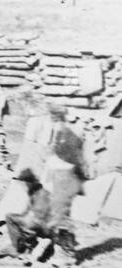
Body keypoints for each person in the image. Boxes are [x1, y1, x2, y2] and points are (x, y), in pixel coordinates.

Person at [43, 106, 91, 259]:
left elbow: (67, 161)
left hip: (64, 178)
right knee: (58, 215)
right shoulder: (63, 133)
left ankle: (67, 254)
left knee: (60, 216)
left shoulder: (65, 135)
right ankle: (60, 249)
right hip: (63, 177)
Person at [0, 168, 54, 259]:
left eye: (23, 182)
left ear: (28, 182)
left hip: (43, 224)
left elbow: (38, 215)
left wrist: (24, 222)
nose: (22, 185)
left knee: (10, 217)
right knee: (15, 218)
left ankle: (22, 248)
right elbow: (27, 211)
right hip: (44, 224)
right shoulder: (36, 191)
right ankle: (24, 245)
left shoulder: (40, 193)